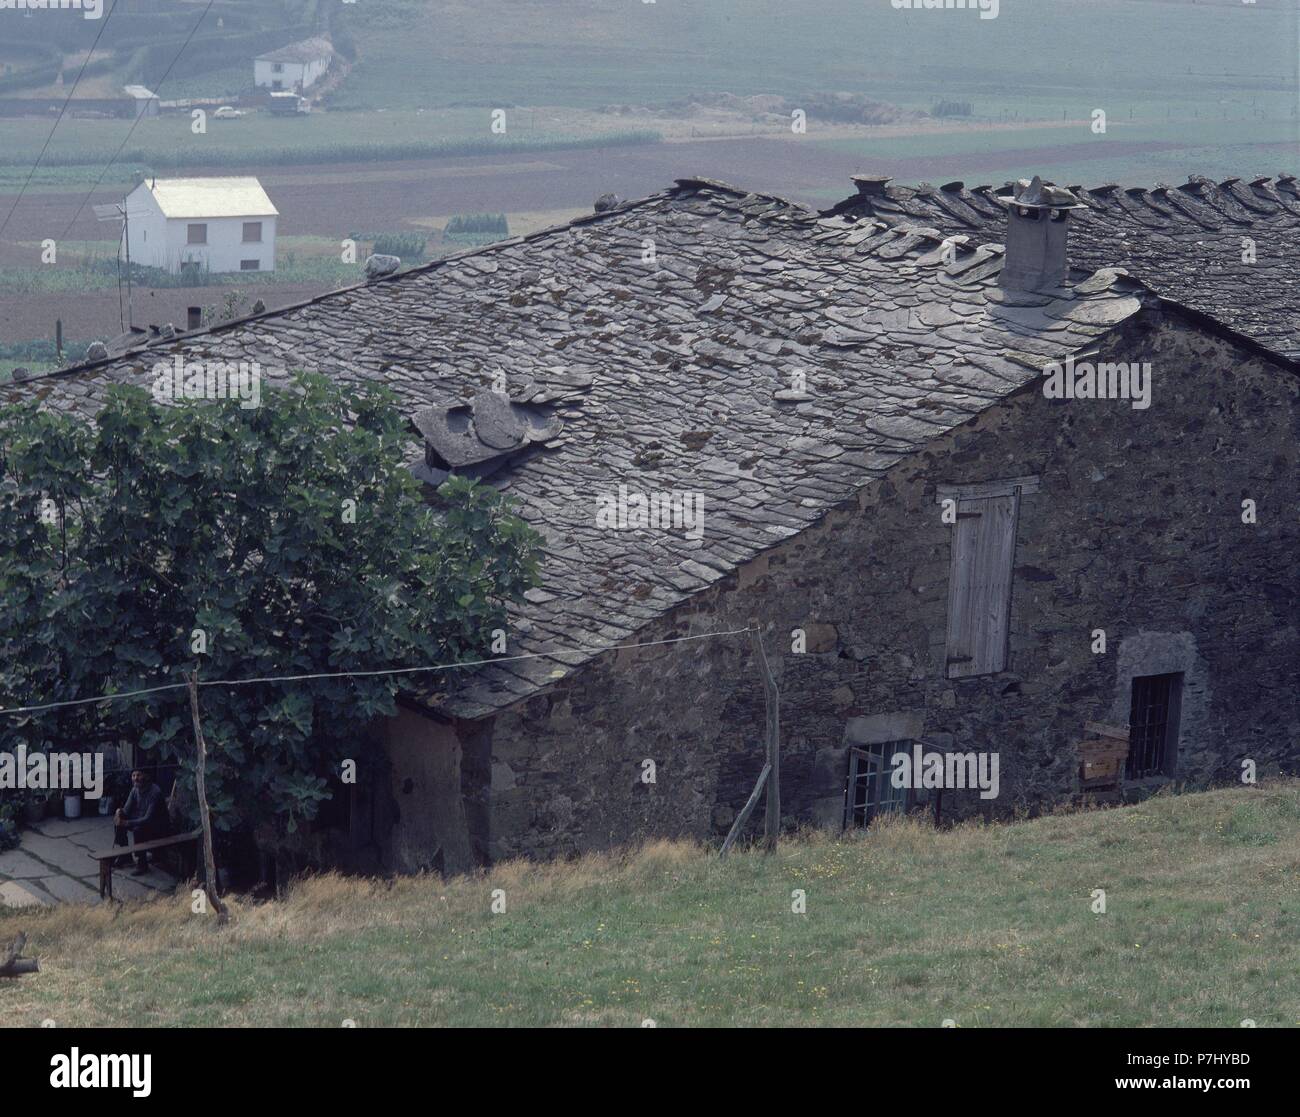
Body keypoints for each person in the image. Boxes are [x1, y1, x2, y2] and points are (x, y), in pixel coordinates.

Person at [113, 769, 168, 875]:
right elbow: (126, 810)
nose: (135, 778)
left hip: (158, 826)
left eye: (138, 775)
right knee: (119, 819)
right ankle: (125, 855)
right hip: (143, 821)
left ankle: (142, 864)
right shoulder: (135, 789)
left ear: (146, 776)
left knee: (138, 829)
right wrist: (119, 812)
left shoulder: (155, 792)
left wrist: (127, 823)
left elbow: (148, 819)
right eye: (133, 775)